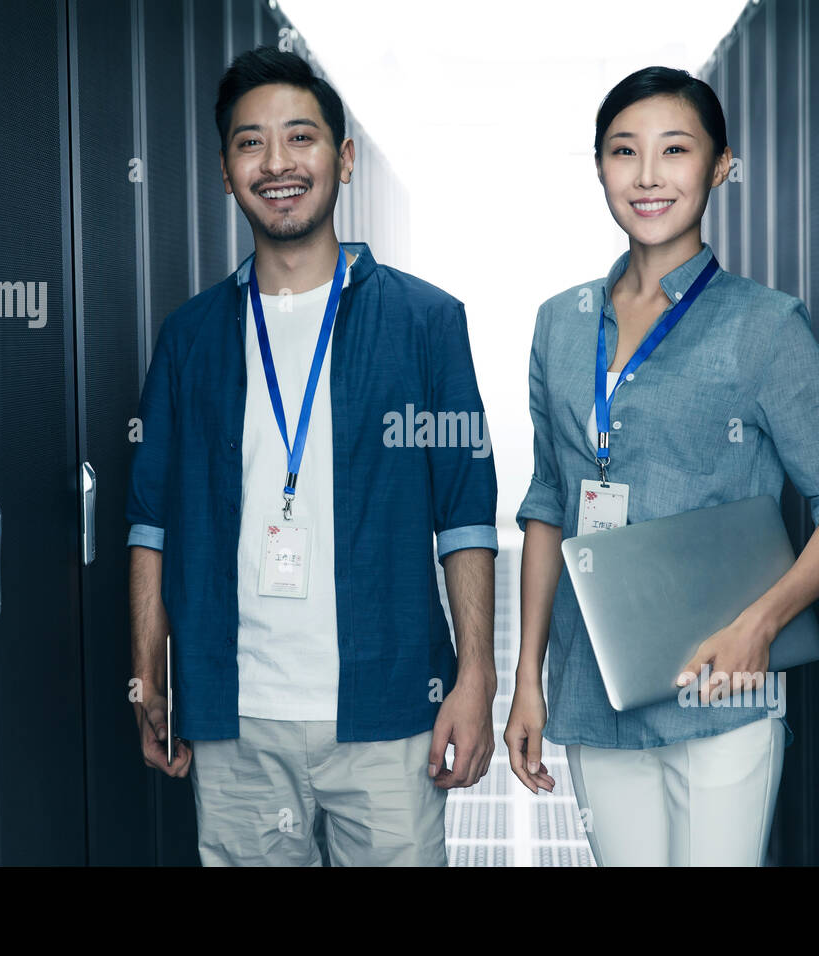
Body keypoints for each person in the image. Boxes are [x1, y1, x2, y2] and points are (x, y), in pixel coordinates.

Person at [505, 66, 819, 867]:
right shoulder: (560, 324)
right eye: (624, 151)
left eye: (674, 150)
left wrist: (760, 627)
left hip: (724, 689)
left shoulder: (765, 326)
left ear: (719, 167)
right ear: (600, 167)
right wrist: (528, 679)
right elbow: (547, 505)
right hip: (596, 688)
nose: (647, 176)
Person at [125, 47, 498, 866]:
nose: (277, 163)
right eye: (250, 143)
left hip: (389, 706)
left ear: (344, 158)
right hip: (235, 715)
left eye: (301, 137)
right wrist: (148, 670)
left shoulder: (426, 323)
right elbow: (150, 517)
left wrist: (476, 676)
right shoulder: (190, 337)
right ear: (226, 172)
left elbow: (465, 516)